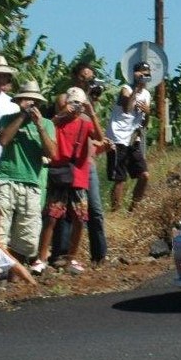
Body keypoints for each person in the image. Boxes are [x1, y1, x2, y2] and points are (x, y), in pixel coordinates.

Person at [0, 81, 56, 264]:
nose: (31, 104)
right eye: (27, 100)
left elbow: (52, 153)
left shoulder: (47, 124)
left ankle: (13, 273)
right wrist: (22, 116)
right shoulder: (8, 119)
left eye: (34, 101)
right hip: (5, 179)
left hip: (31, 183)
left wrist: (39, 125)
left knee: (27, 238)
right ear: (19, 101)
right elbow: (3, 140)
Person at [36, 87, 102, 274]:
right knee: (51, 217)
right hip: (59, 173)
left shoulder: (85, 123)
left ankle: (71, 259)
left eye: (79, 104)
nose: (76, 108)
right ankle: (41, 258)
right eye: (73, 103)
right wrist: (60, 115)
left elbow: (99, 137)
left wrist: (92, 114)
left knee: (80, 218)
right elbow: (46, 128)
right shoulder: (57, 123)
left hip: (78, 175)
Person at [52, 63, 108, 265]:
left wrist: (91, 108)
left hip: (87, 161)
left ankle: (99, 254)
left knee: (95, 209)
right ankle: (62, 254)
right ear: (75, 77)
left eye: (91, 78)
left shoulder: (89, 103)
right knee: (64, 211)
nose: (87, 81)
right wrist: (75, 105)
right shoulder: (65, 98)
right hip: (68, 162)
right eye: (84, 77)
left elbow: (98, 134)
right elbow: (60, 120)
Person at [107, 61, 151, 211]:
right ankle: (116, 212)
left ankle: (133, 210)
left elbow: (144, 123)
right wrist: (136, 88)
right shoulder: (126, 89)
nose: (144, 77)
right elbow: (127, 108)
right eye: (141, 74)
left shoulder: (147, 95)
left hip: (132, 139)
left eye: (147, 75)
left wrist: (148, 112)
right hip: (118, 137)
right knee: (120, 179)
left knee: (144, 175)